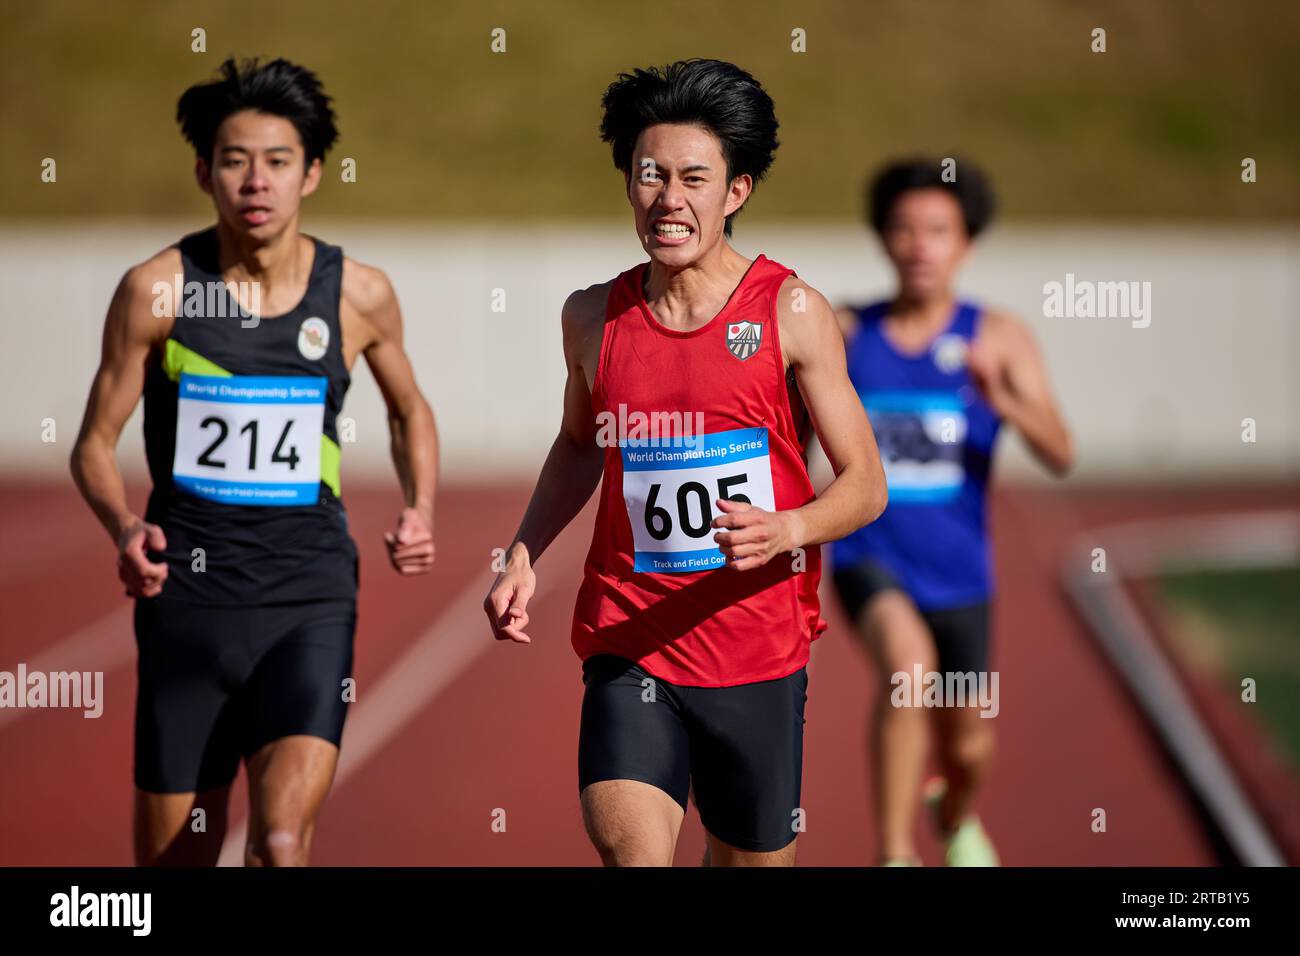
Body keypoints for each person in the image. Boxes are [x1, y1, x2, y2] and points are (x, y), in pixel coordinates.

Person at [484, 59, 886, 867]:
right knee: (634, 854)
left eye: (693, 178)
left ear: (735, 191)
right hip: (631, 638)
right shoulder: (593, 316)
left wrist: (787, 528)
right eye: (650, 175)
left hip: (757, 647)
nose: (669, 198)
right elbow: (577, 444)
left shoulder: (791, 312)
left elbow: (866, 484)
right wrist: (524, 550)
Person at [69, 57, 438, 866]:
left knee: (278, 841)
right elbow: (94, 441)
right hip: (186, 604)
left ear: (311, 174)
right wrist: (124, 525)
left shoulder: (356, 294)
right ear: (204, 171)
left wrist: (421, 507)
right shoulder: (157, 292)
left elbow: (411, 410)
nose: (255, 182)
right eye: (235, 161)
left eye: (277, 162)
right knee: (173, 863)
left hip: (307, 598)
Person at [831, 158, 1073, 866]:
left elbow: (1061, 451)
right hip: (868, 556)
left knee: (969, 743)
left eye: (938, 230)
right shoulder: (847, 333)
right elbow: (792, 436)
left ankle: (955, 811)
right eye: (903, 229)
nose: (919, 245)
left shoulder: (997, 337)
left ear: (966, 242)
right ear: (883, 239)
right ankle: (895, 852)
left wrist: (1006, 400)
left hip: (961, 574)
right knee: (907, 672)